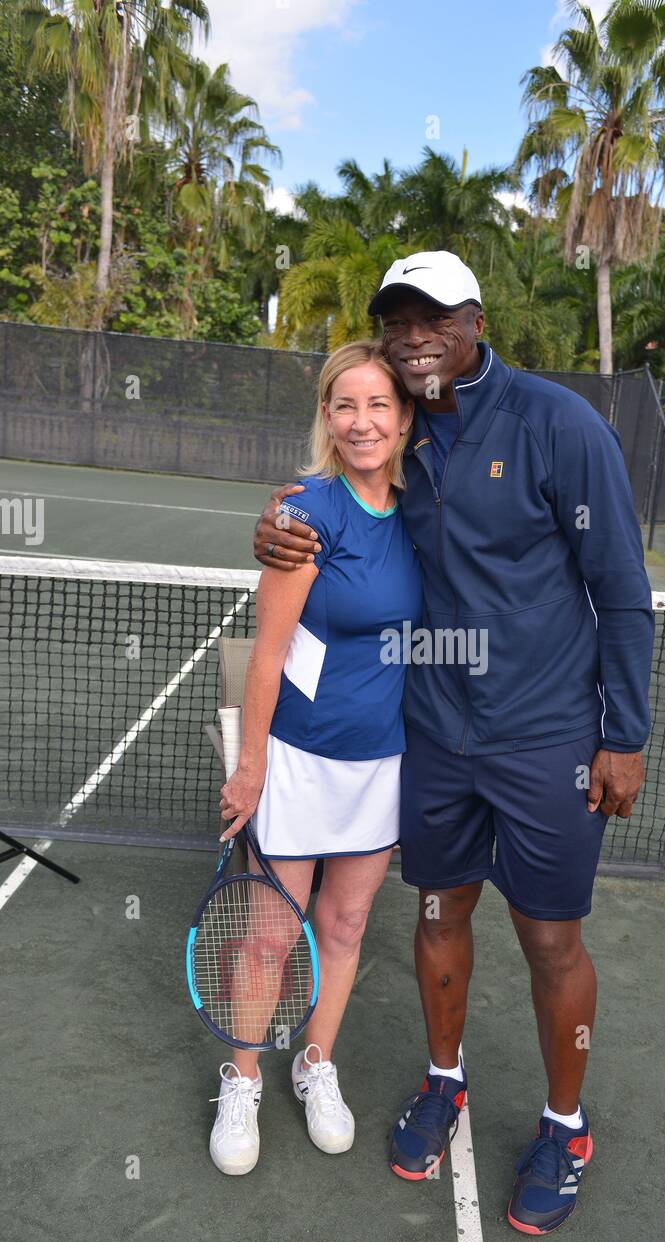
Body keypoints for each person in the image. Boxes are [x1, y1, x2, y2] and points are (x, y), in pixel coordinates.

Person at [254, 251, 654, 1234]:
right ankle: (445, 1080)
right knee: (439, 913)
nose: (414, 336)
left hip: (548, 739)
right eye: (397, 320)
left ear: (477, 318)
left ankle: (565, 1125)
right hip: (432, 739)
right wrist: (271, 530)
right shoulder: (405, 437)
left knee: (550, 938)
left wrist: (625, 733)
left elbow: (622, 587)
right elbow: (334, 510)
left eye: (432, 316)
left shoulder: (561, 426)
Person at [209, 340, 422, 1176]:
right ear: (327, 418)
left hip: (384, 762)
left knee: (343, 924)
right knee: (269, 934)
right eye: (345, 405)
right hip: (297, 757)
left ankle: (315, 1063)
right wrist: (251, 763)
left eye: (379, 405)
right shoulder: (304, 512)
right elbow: (268, 653)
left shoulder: (426, 510)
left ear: (404, 417)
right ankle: (242, 1080)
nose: (362, 422)